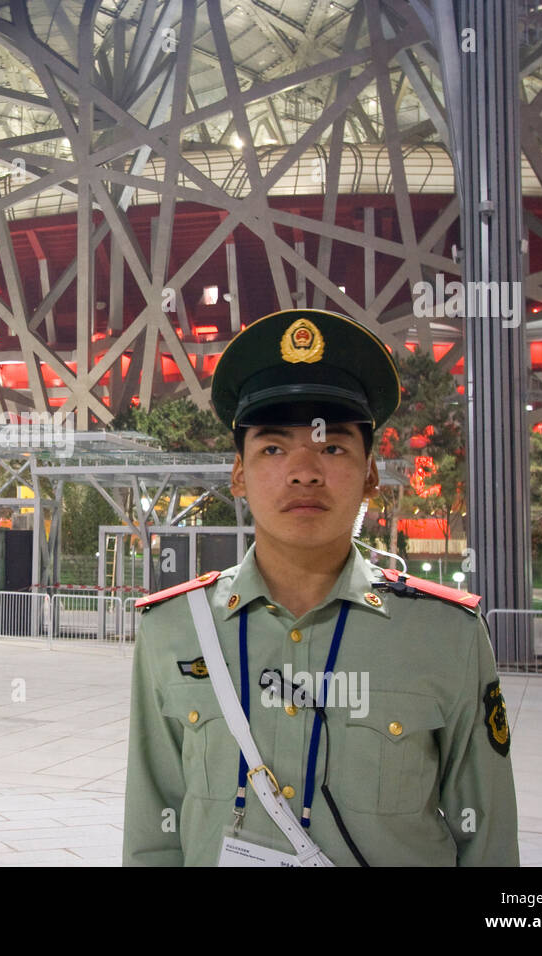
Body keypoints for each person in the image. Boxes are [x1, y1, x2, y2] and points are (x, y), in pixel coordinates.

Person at [122, 308, 518, 866]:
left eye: (332, 448)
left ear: (370, 474)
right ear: (239, 474)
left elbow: (489, 842)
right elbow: (153, 835)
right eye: (273, 449)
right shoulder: (175, 630)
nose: (304, 471)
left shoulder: (445, 634)